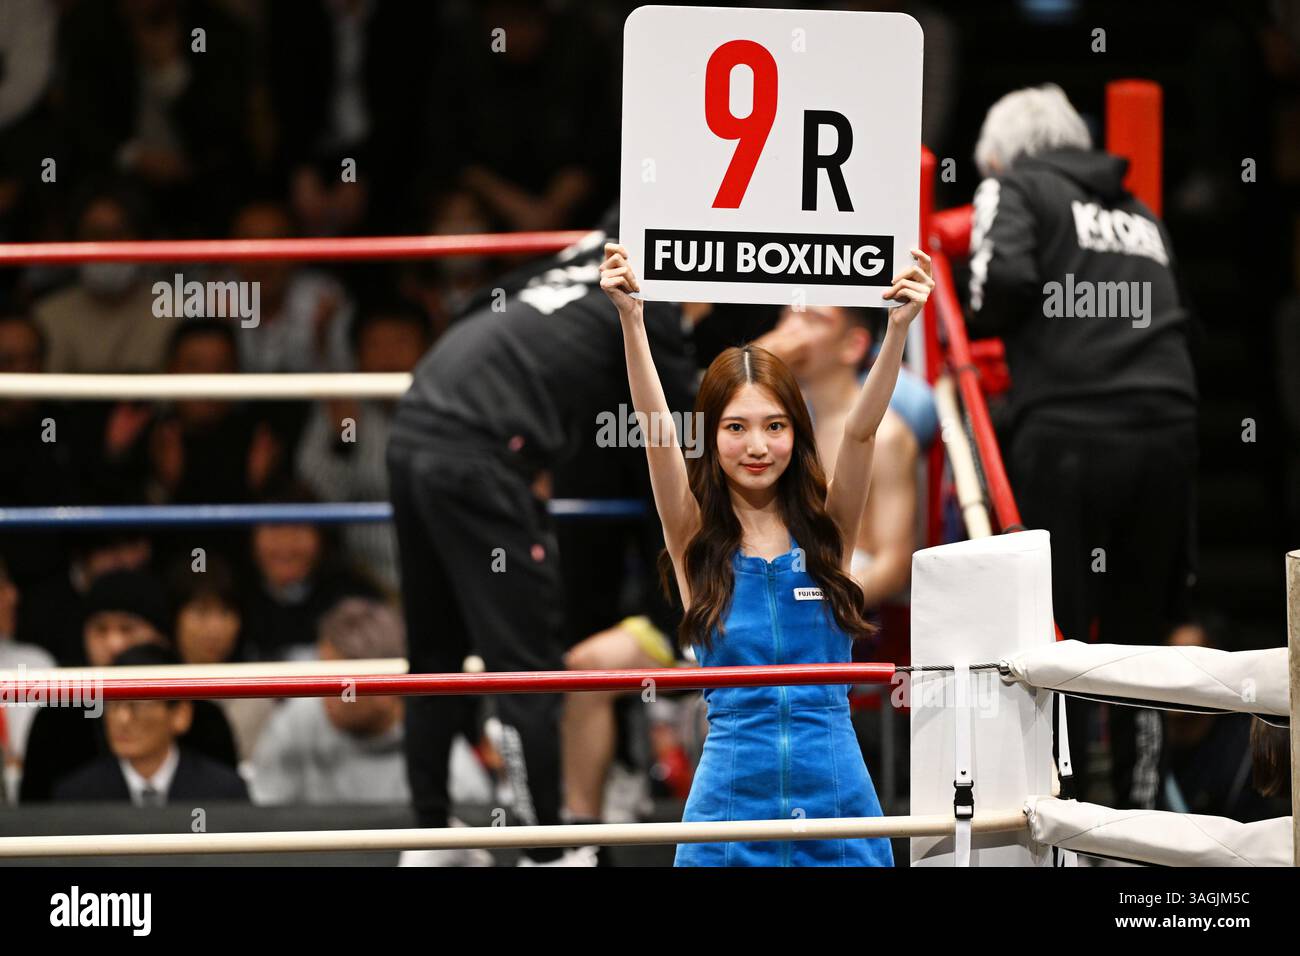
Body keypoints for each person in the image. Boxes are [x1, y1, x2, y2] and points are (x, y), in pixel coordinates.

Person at [599, 241, 934, 866]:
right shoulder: (693, 537)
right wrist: (632, 318)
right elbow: (655, 429)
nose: (758, 445)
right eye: (736, 426)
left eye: (775, 425)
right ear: (713, 435)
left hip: (839, 806)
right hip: (728, 811)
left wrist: (897, 329)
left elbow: (862, 431)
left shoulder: (829, 530)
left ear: (796, 434)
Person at [387, 219, 701, 865]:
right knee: (525, 668)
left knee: (435, 650)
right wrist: (681, 605)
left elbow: (483, 302)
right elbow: (669, 459)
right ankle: (547, 852)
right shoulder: (657, 310)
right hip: (477, 451)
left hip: (416, 420)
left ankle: (428, 834)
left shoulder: (585, 251)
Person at [967, 84, 1198, 810]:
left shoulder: (1014, 186)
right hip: (1168, 427)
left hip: (1070, 431)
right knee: (1140, 639)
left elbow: (998, 277)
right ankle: (1138, 819)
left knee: (1053, 627)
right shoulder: (1139, 212)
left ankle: (1059, 808)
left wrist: (1008, 338)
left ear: (1001, 155)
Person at [756, 305, 937, 609]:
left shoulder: (888, 436)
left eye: (813, 318)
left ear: (853, 345)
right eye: (786, 315)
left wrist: (814, 607)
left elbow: (893, 567)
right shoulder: (776, 425)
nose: (790, 329)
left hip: (844, 605)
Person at [19, 569, 238, 802]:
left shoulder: (204, 719)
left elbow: (228, 812)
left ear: (161, 638)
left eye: (127, 628)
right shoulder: (56, 720)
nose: (114, 644)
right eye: (100, 629)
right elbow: (34, 821)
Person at [53, 644, 249, 805]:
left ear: (180, 714)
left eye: (137, 705)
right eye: (112, 704)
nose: (121, 718)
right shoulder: (76, 795)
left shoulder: (224, 792)